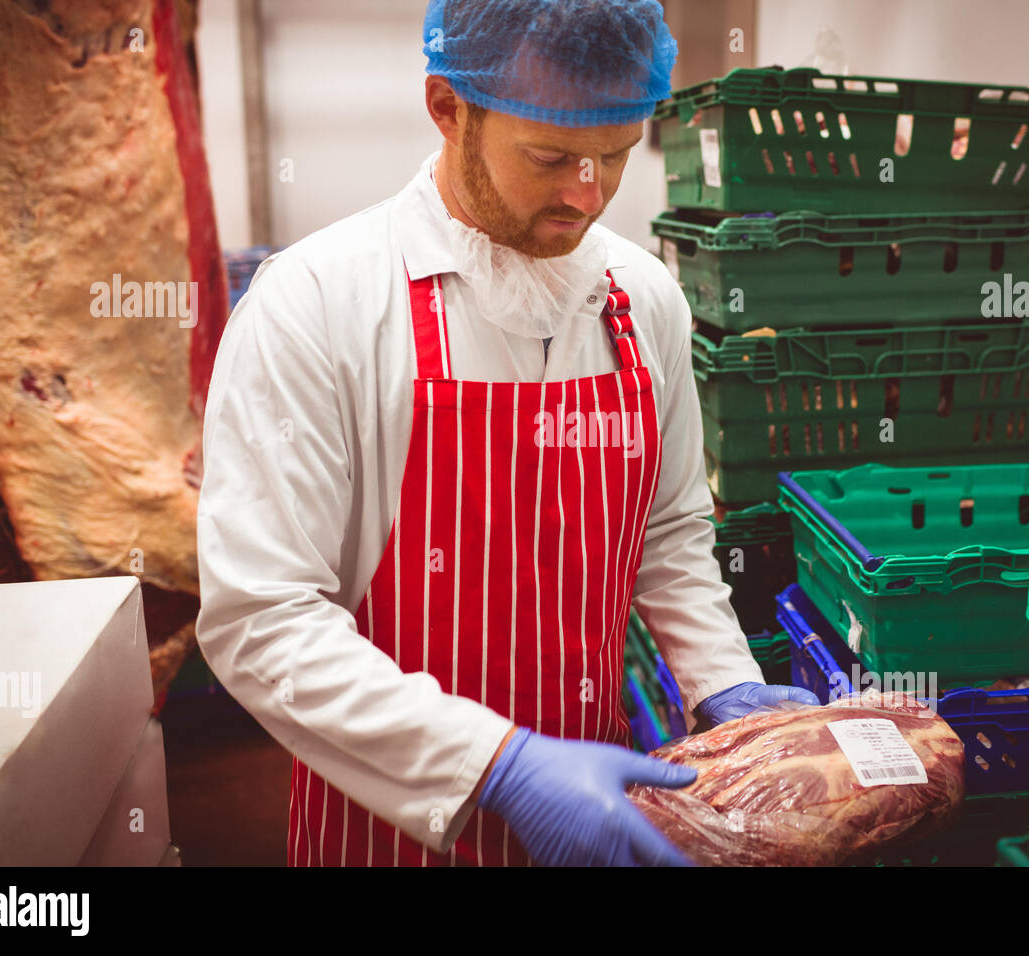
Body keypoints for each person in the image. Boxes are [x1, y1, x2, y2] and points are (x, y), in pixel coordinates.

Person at [195, 0, 816, 868]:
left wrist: (726, 681)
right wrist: (505, 767)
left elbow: (668, 532)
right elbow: (261, 621)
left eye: (615, 155)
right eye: (552, 157)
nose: (587, 194)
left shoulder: (645, 303)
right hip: (384, 828)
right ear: (448, 108)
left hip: (609, 809)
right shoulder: (317, 304)